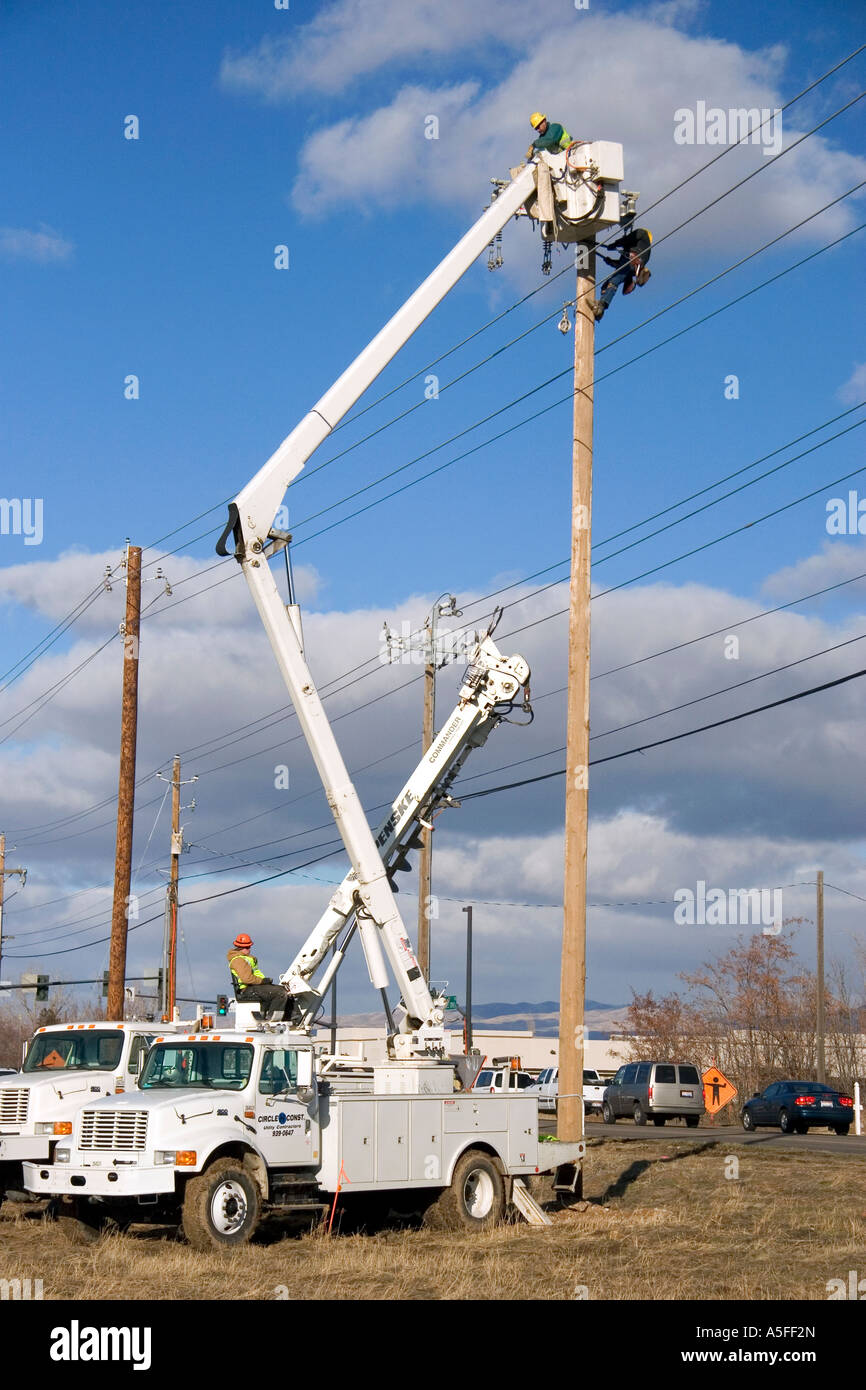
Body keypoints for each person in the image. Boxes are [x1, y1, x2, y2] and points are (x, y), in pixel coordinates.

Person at [588, 218, 652, 320]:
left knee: (613, 282)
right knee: (607, 285)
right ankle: (600, 305)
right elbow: (621, 264)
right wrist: (610, 261)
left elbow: (629, 239)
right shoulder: (642, 251)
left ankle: (601, 307)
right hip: (629, 265)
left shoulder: (642, 234)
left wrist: (616, 244)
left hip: (630, 263)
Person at [227, 933, 292, 1020]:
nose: (249, 949)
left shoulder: (246, 958)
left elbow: (254, 974)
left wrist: (265, 982)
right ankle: (272, 1019)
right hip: (247, 989)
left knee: (285, 991)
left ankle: (287, 1017)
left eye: (249, 947)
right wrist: (263, 981)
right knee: (280, 992)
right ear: (240, 948)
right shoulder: (238, 960)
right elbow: (247, 979)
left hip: (254, 987)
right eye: (247, 947)